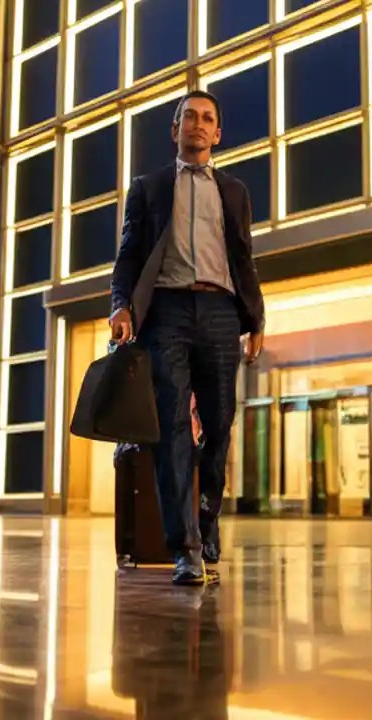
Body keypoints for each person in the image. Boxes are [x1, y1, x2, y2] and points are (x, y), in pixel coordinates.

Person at [110, 90, 265, 586]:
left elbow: (244, 258)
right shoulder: (149, 188)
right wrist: (121, 304)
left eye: (207, 119)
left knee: (219, 424)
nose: (198, 125)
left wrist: (256, 318)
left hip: (221, 311)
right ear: (174, 129)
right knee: (173, 427)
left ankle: (207, 514)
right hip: (168, 313)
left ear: (218, 134)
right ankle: (186, 548)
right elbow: (130, 253)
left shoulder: (235, 191)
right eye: (189, 118)